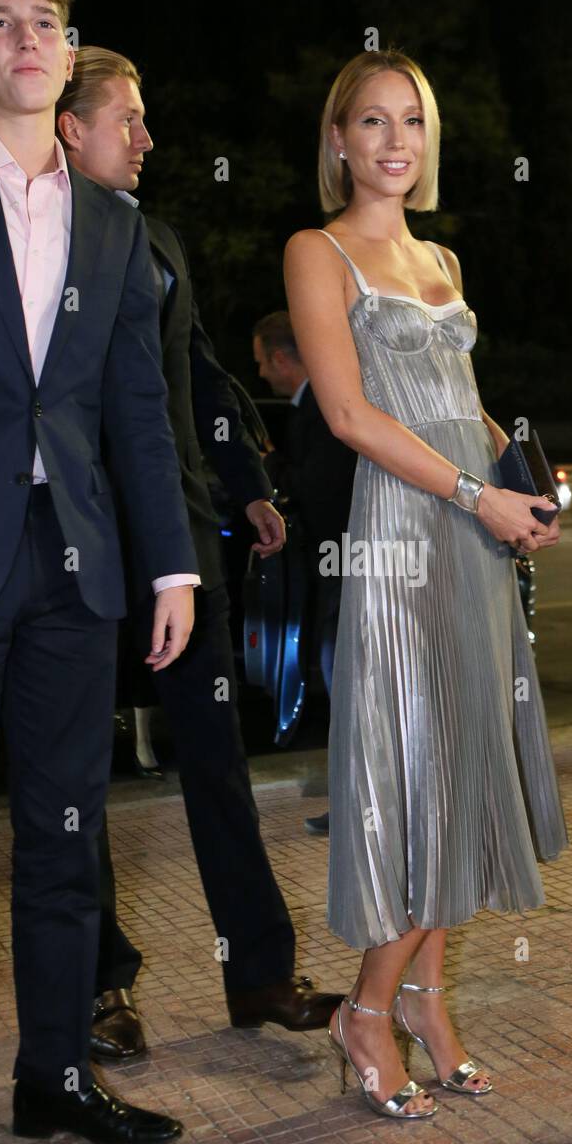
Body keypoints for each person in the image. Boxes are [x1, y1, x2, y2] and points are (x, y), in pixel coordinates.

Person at [0, 0, 198, 1144]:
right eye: (0, 22)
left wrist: (173, 571)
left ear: (64, 43)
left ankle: (52, 1077)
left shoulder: (115, 219)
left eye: (44, 21)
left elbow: (136, 411)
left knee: (63, 838)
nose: (26, 39)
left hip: (76, 575)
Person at [284, 50, 568, 1120]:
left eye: (411, 121)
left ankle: (427, 1001)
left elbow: (466, 405)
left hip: (474, 533)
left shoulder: (439, 254)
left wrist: (518, 481)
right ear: (337, 141)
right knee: (421, 772)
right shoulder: (317, 252)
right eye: (371, 122)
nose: (394, 141)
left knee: (466, 762)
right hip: (404, 537)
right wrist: (471, 494)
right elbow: (352, 415)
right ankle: (365, 1008)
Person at [56, 46, 343, 1060]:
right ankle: (97, 988)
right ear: (68, 128)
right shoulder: (39, 242)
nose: (146, 137)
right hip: (84, 553)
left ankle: (260, 974)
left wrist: (249, 489)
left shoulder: (156, 235)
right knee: (77, 781)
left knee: (217, 766)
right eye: (124, 119)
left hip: (183, 546)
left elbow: (206, 374)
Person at [253, 311, 358, 835]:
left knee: (349, 689)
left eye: (261, 363)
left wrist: (270, 467)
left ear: (280, 357)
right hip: (344, 568)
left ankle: (360, 809)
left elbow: (319, 490)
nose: (261, 376)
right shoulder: (322, 402)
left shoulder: (320, 407)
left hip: (346, 571)